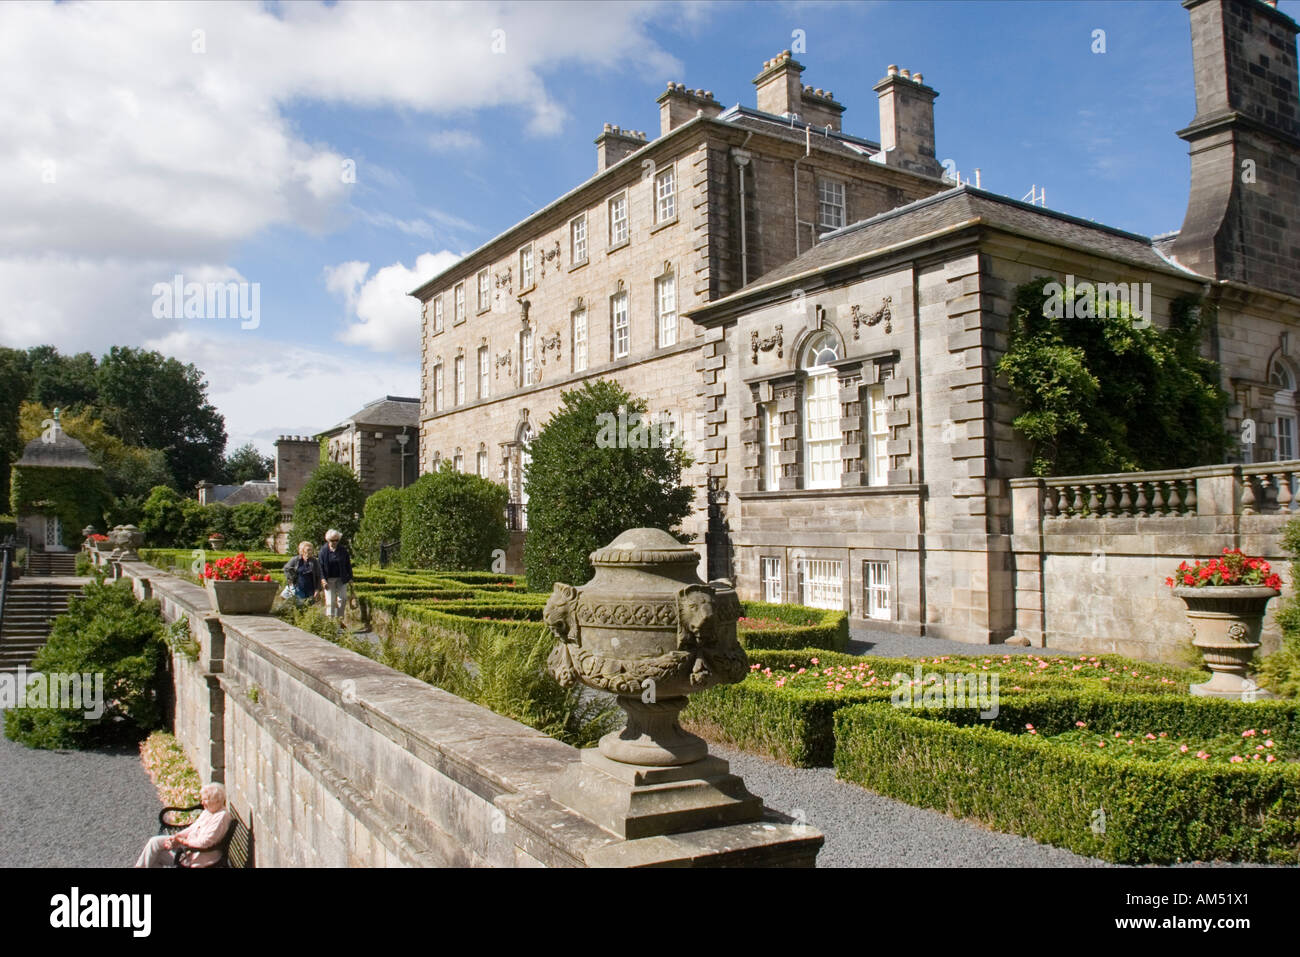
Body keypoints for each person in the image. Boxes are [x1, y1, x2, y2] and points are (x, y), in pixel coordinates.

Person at [134, 782, 232, 868]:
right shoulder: (209, 811)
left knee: (155, 857)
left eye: (205, 799)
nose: (202, 803)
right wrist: (176, 838)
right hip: (189, 849)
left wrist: (181, 842)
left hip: (199, 856)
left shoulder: (221, 817)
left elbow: (204, 843)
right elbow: (192, 828)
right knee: (154, 842)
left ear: (216, 800)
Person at [319, 528, 353, 619]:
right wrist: (323, 580)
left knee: (343, 599)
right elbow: (320, 567)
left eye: (336, 540)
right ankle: (330, 622)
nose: (334, 542)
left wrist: (350, 578)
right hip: (328, 579)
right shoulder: (323, 551)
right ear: (328, 540)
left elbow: (347, 564)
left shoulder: (343, 550)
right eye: (332, 540)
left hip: (341, 578)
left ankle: (339, 620)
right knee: (330, 601)